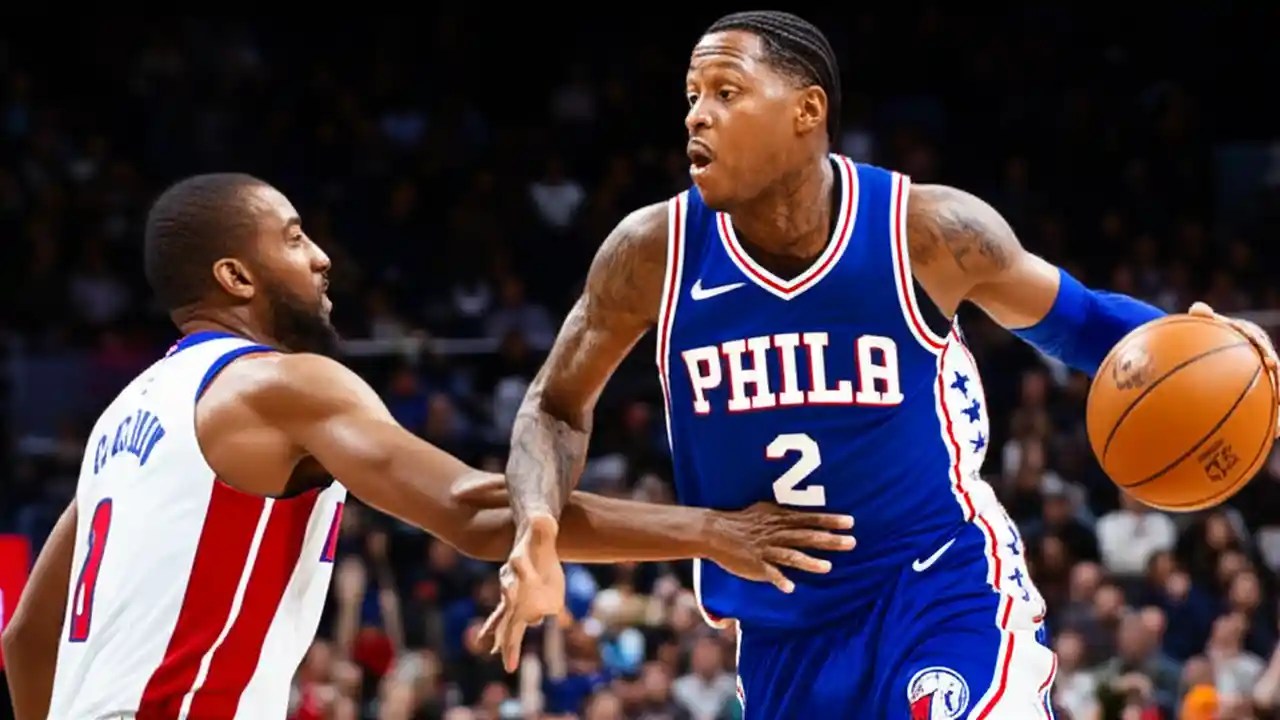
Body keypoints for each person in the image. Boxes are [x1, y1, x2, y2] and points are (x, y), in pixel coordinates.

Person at [486, 10, 1280, 719]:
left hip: (938, 587)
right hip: (782, 639)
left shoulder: (924, 231)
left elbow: (1080, 323)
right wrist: (538, 526)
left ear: (807, 111)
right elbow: (553, 408)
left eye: (726, 92)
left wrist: (1203, 347)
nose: (697, 114)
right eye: (691, 95)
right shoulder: (650, 253)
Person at [0, 173, 858, 720]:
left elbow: (26, 640)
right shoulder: (282, 383)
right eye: (294, 236)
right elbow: (479, 513)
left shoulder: (118, 423)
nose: (322, 257)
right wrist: (712, 532)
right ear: (235, 276)